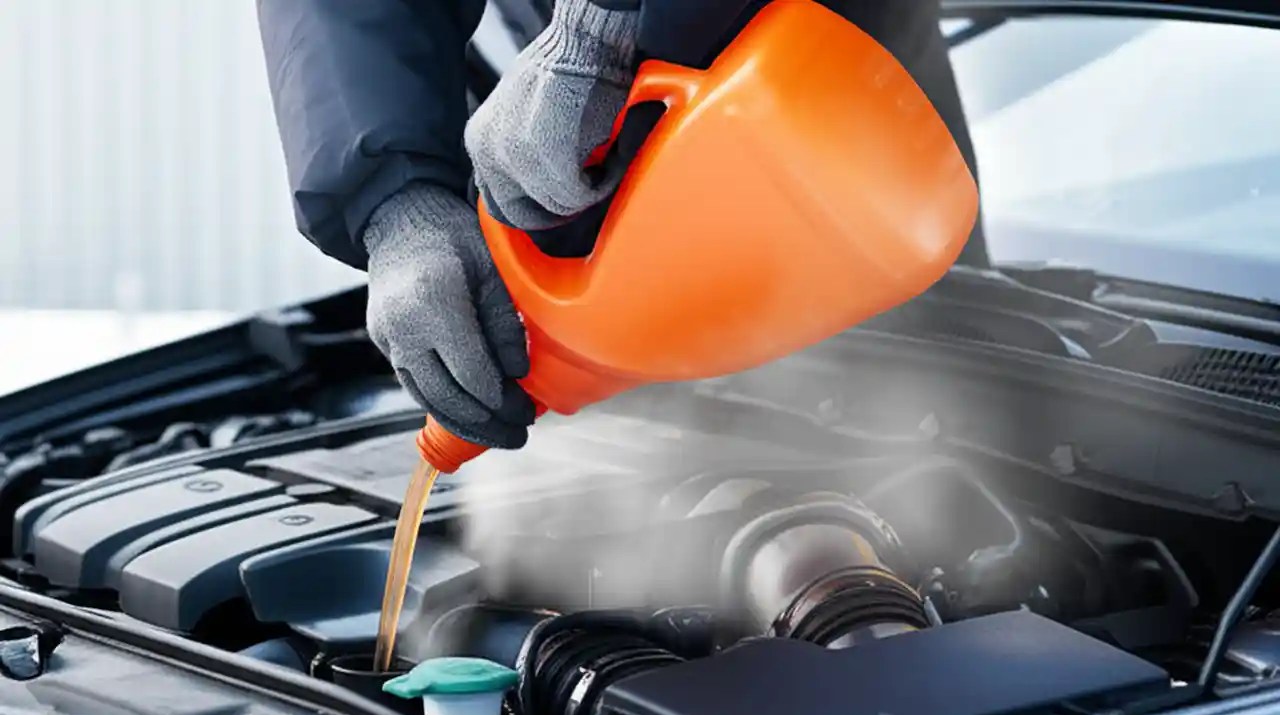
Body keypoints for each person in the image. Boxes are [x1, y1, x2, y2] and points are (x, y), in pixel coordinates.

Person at [256, 0, 983, 452]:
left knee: (936, 445)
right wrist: (395, 199)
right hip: (621, 134)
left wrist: (602, 26)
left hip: (828, 97)